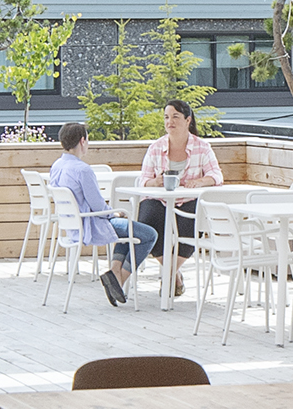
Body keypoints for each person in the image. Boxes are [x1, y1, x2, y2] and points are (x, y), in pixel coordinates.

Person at [51, 122, 156, 305]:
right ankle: (120, 278)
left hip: (71, 225)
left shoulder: (57, 166)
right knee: (148, 234)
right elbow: (98, 206)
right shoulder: (83, 169)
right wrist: (114, 214)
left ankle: (114, 274)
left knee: (128, 230)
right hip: (90, 225)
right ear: (83, 141)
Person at [133, 97, 225, 293]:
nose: (170, 122)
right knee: (146, 222)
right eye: (166, 117)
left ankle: (169, 273)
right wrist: (154, 182)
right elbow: (143, 180)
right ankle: (173, 275)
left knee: (193, 221)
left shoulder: (202, 147)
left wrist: (201, 181)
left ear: (187, 120)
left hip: (189, 201)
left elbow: (216, 175)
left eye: (175, 116)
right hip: (161, 201)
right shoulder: (156, 147)